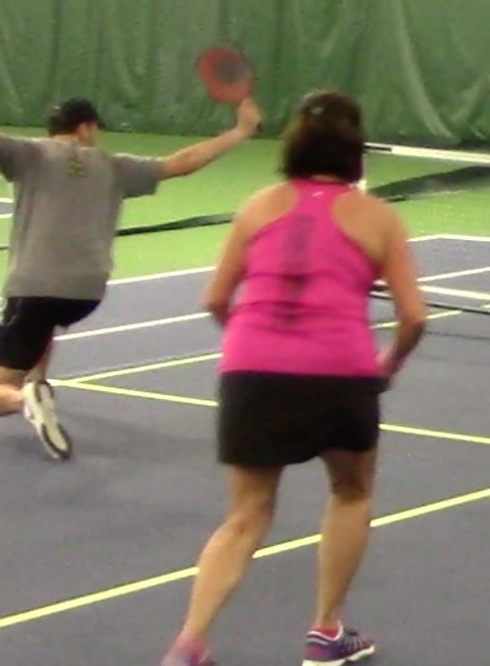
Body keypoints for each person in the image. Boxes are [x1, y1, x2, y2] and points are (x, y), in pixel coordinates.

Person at [160, 90, 428, 666]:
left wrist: (248, 344)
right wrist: (388, 367)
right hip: (341, 375)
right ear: (356, 150)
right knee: (351, 491)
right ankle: (325, 631)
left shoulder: (258, 206)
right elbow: (414, 316)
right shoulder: (379, 217)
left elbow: (214, 298)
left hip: (252, 374)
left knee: (246, 515)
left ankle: (189, 645)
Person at [0, 51, 263, 461]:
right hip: (87, 293)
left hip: (31, 288)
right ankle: (41, 382)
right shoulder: (114, 166)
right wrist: (239, 132)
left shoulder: (28, 154)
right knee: (46, 322)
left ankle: (25, 400)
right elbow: (182, 163)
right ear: (85, 128)